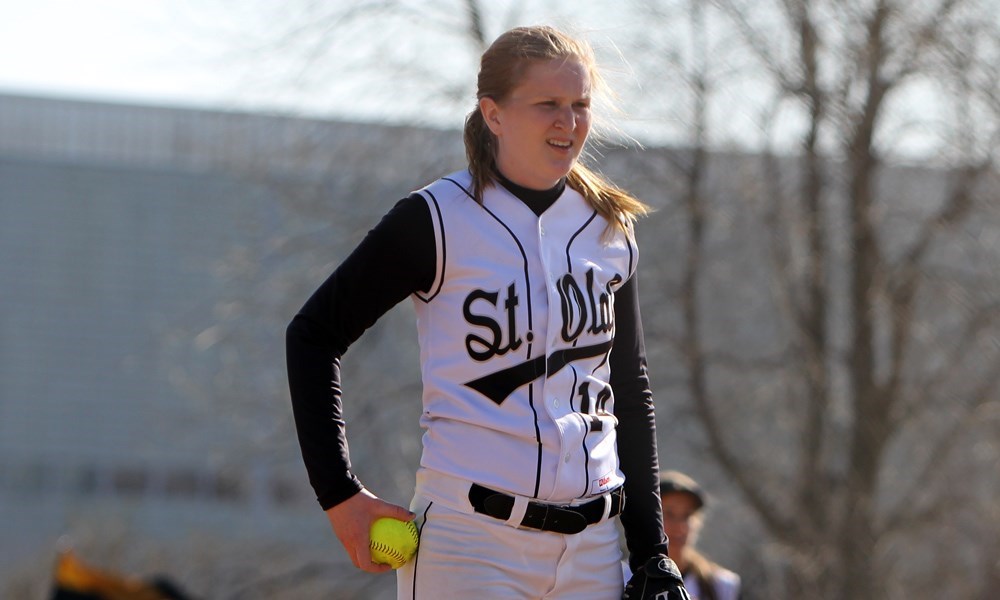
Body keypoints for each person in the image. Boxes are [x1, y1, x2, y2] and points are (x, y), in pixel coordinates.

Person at [286, 25, 689, 599]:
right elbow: (313, 335)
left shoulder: (608, 226)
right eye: (547, 104)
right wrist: (340, 495)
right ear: (492, 113)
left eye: (580, 105)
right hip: (472, 541)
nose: (567, 122)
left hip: (594, 548)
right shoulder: (437, 218)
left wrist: (652, 552)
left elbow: (628, 386)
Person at [658, 471, 742, 600]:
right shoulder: (624, 579)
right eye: (669, 514)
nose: (680, 527)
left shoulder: (721, 586)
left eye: (687, 516)